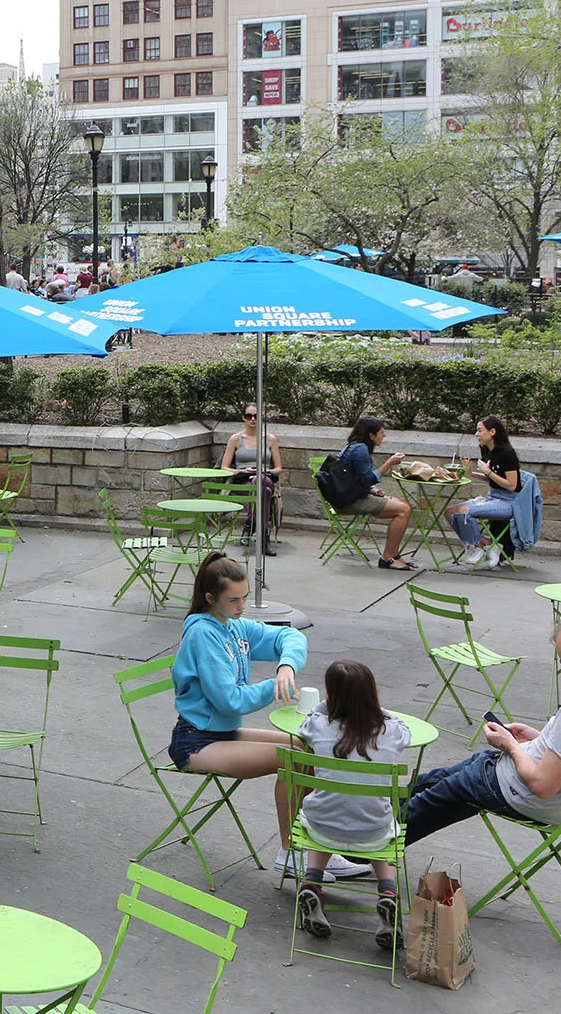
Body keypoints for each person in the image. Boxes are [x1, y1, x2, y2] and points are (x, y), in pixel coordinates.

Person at [169, 554, 367, 879]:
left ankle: (319, 849)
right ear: (210, 598)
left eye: (245, 596)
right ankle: (289, 852)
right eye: (233, 599)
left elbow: (290, 636)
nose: (242, 605)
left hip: (221, 732)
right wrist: (273, 686)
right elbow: (228, 701)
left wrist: (286, 665)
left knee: (310, 747)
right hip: (195, 740)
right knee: (291, 759)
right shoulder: (203, 635)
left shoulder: (231, 625)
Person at [406, 612, 561, 845]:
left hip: (520, 794)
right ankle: (378, 818)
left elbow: (543, 786)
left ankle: (373, 844)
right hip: (558, 805)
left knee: (431, 798)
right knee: (431, 782)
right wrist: (540, 739)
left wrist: (511, 746)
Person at [291, 661, 413, 947]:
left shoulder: (318, 726)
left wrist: (325, 705)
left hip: (322, 826)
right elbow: (405, 728)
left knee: (318, 814)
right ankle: (388, 893)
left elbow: (305, 722)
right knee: (385, 827)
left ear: (331, 696)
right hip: (372, 830)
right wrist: (377, 710)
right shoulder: (389, 732)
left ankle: (311, 882)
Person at [337, 415, 417, 571]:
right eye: (381, 432)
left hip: (351, 495)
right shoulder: (360, 450)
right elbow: (367, 479)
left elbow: (356, 479)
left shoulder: (353, 446)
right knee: (404, 510)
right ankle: (388, 557)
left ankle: (394, 555)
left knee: (403, 505)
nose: (384, 435)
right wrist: (389, 463)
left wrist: (372, 490)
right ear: (371, 435)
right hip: (350, 501)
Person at [445, 415, 520, 568]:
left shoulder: (507, 454)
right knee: (450, 512)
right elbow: (491, 479)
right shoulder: (487, 450)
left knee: (465, 511)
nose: (476, 434)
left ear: (492, 432)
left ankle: (476, 547)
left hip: (509, 501)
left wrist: (488, 472)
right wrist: (470, 472)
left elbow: (512, 485)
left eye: (479, 430)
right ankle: (485, 544)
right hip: (493, 496)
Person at [220, 405, 284, 556]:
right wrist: (241, 471)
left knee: (261, 483)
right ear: (243, 418)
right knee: (265, 491)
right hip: (244, 481)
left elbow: (279, 468)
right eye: (249, 416)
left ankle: (250, 527)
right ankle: (264, 539)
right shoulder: (235, 439)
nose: (253, 419)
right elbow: (224, 467)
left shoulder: (270, 439)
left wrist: (265, 470)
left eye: (256, 416)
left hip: (265, 477)